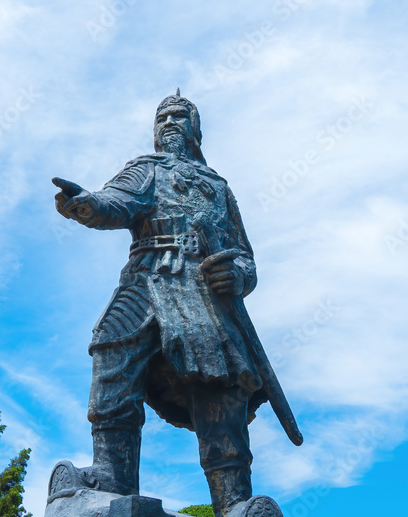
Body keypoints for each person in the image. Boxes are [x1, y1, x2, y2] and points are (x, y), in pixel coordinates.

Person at [52, 91, 300, 517]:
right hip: (148, 278)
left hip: (202, 290)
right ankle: (113, 473)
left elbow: (244, 254)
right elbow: (116, 202)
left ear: (195, 129)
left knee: (219, 385)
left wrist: (238, 274)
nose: (169, 122)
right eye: (161, 116)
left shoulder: (219, 188)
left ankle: (232, 498)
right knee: (111, 348)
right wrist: (86, 204)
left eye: (179, 116)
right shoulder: (145, 170)